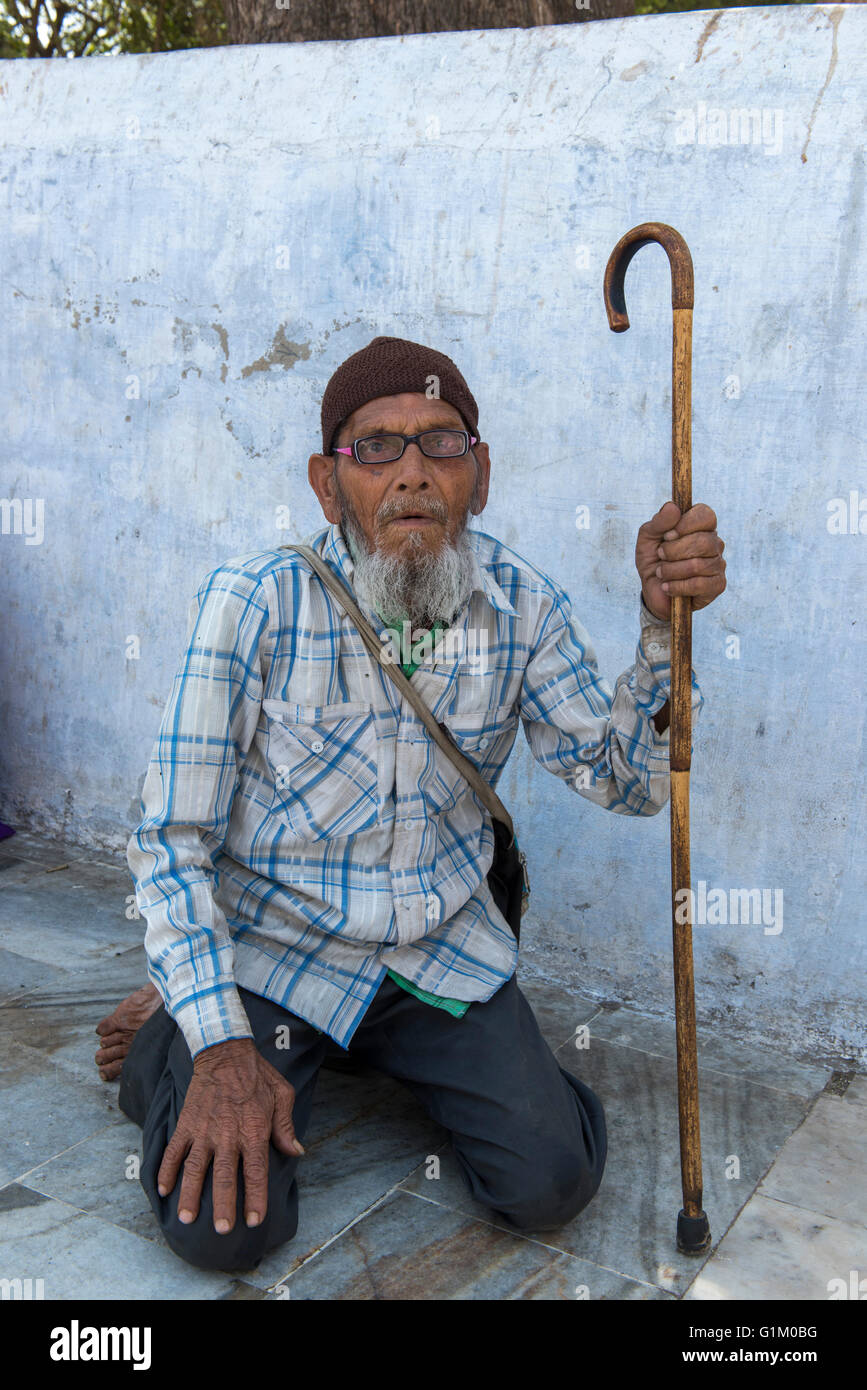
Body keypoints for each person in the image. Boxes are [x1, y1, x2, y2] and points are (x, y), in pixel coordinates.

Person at [96, 335, 726, 1272]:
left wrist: (662, 627)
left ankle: (393, 1051)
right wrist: (220, 1042)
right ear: (326, 482)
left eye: (441, 444)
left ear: (479, 474)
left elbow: (627, 779)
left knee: (550, 1184)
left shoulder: (523, 608)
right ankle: (176, 1038)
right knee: (223, 1232)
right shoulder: (256, 603)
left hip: (440, 951)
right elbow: (172, 836)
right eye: (375, 448)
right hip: (280, 950)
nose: (411, 474)